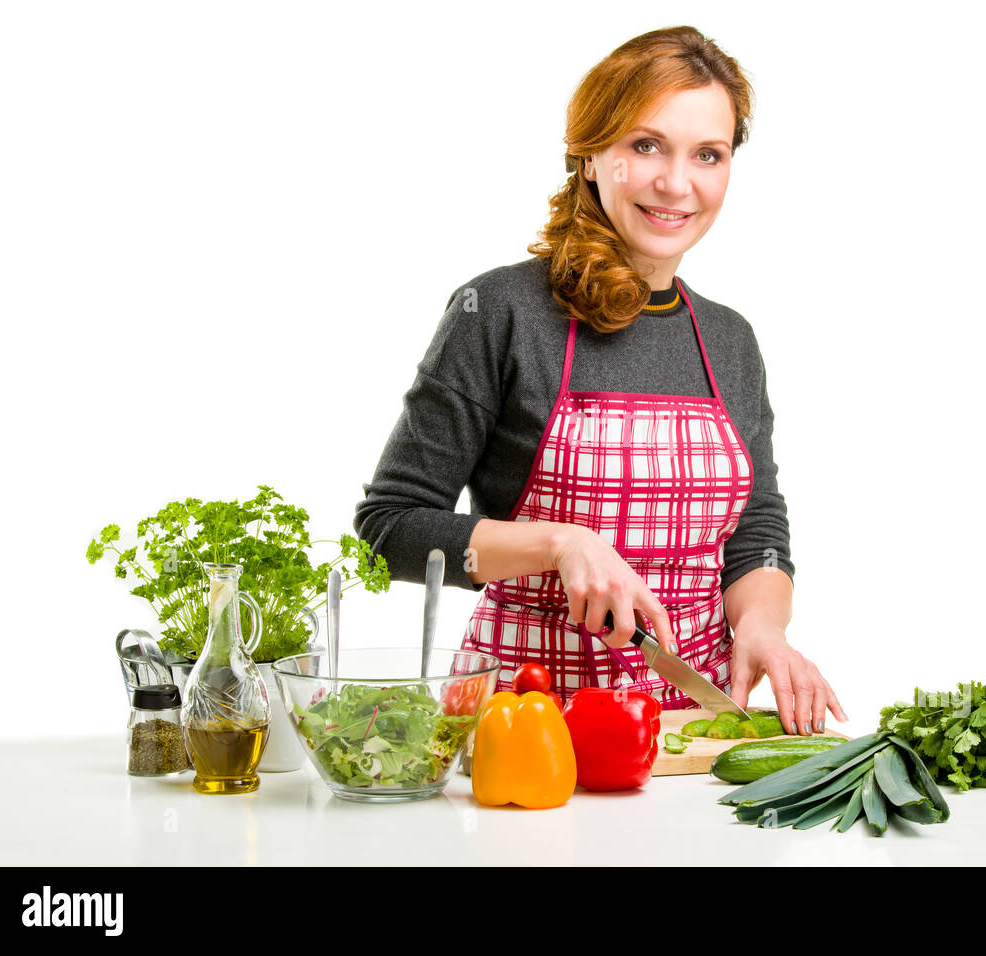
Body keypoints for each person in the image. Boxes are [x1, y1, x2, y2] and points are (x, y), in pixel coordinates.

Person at [354, 25, 845, 735]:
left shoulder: (729, 340)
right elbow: (388, 527)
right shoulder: (499, 312)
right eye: (646, 146)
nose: (677, 183)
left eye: (706, 154)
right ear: (590, 155)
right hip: (521, 722)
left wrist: (763, 631)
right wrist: (559, 543)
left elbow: (756, 531)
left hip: (693, 731)